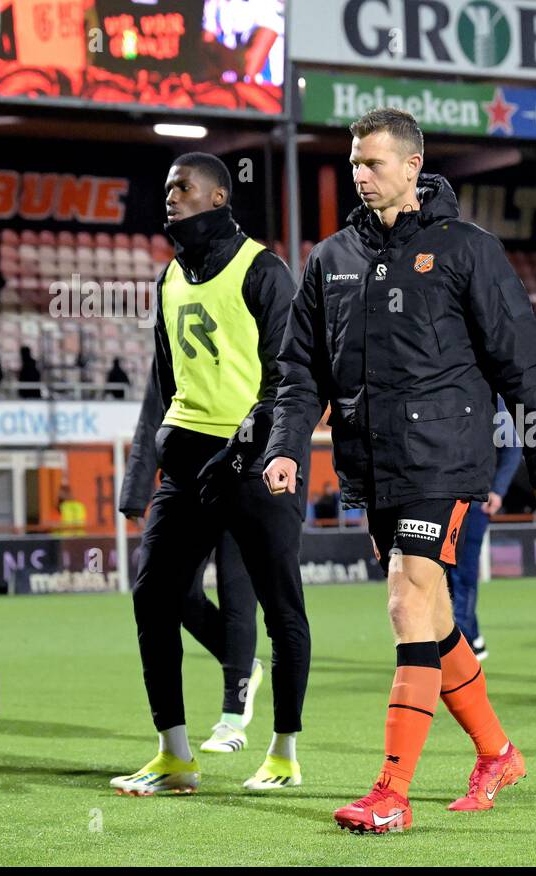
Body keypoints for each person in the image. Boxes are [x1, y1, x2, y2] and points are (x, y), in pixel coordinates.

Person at [262, 108, 536, 833]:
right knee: (430, 616)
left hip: (447, 457)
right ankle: (496, 752)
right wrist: (285, 443)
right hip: (372, 466)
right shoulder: (330, 258)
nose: (360, 175)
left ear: (411, 166)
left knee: (408, 599)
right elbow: (299, 367)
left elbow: (520, 363)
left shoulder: (468, 250)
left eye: (373, 163)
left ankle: (391, 792)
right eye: (354, 162)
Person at [109, 151, 311, 796]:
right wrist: (165, 450)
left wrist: (251, 446)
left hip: (255, 461)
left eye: (183, 188)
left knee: (282, 608)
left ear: (219, 198)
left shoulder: (265, 270)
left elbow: (289, 377)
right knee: (153, 593)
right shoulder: (169, 277)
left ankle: (283, 750)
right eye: (167, 188)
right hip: (190, 459)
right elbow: (166, 380)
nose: (170, 197)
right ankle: (174, 754)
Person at [120, 340, 264, 756]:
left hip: (244, 471)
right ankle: (243, 664)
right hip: (188, 478)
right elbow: (154, 407)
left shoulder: (251, 304)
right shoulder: (181, 315)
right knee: (174, 591)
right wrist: (135, 490)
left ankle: (232, 719)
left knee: (238, 591)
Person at [450, 395, 524, 659]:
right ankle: (471, 637)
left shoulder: (491, 397)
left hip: (474, 502)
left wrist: (498, 490)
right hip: (444, 498)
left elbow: (512, 447)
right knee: (446, 573)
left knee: (463, 572)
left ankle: (462, 640)